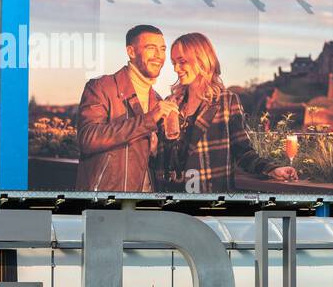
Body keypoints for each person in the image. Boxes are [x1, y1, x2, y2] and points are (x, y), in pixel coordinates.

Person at [155, 32, 297, 193]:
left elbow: (243, 151)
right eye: (173, 63)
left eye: (182, 62)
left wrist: (272, 169)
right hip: (169, 197)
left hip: (208, 197)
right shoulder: (171, 103)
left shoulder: (226, 101)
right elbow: (161, 155)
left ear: (201, 60)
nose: (176, 69)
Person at [75, 25, 180, 192]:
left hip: (145, 205)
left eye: (162, 49)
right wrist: (148, 120)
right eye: (151, 48)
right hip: (107, 204)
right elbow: (88, 138)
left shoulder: (158, 101)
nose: (159, 56)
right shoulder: (102, 87)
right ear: (131, 52)